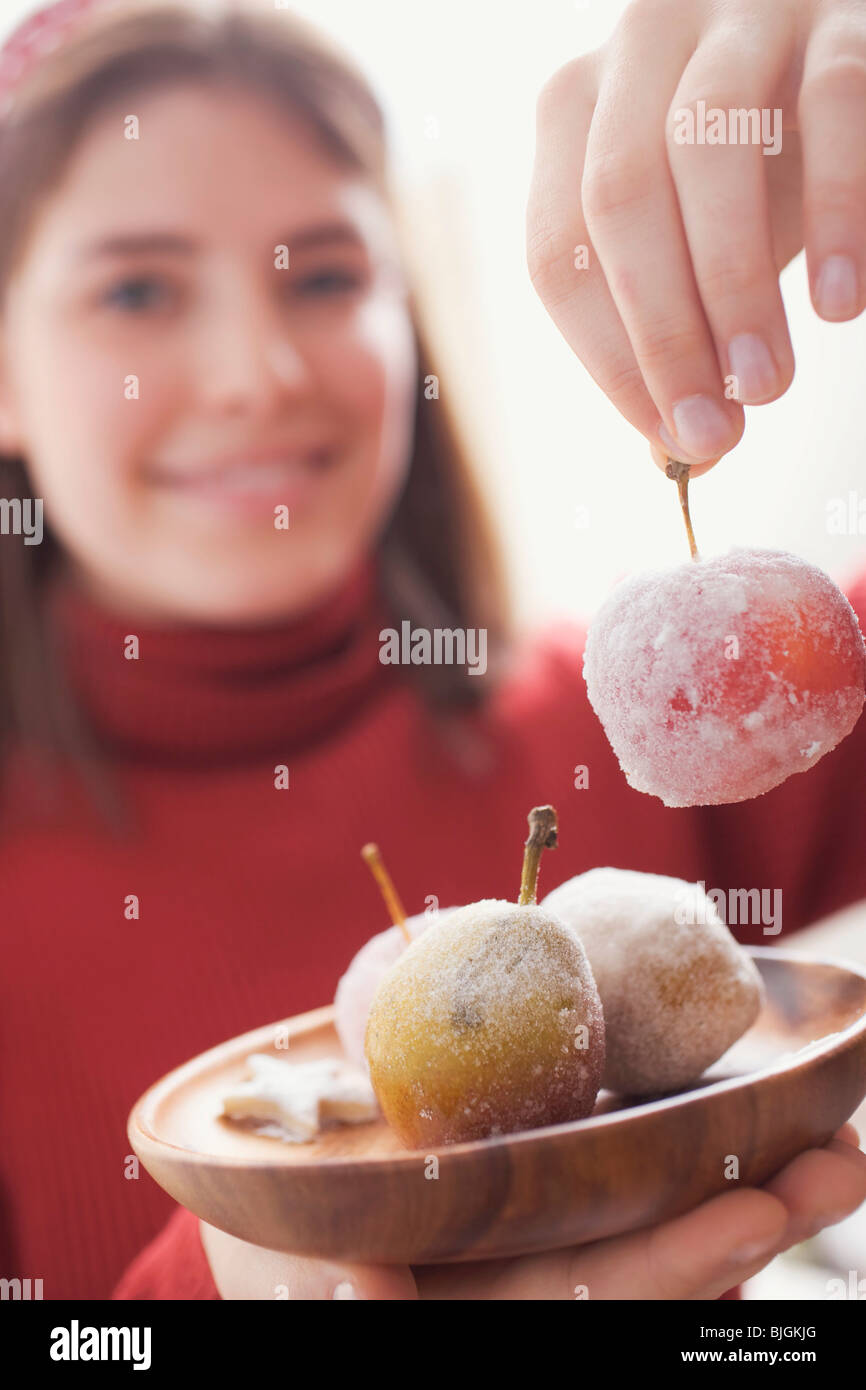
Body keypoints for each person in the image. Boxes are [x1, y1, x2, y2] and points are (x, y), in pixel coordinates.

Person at [0, 0, 862, 1303]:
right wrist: (228, 1276)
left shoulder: (636, 718)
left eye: (325, 276)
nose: (257, 372)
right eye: (134, 288)